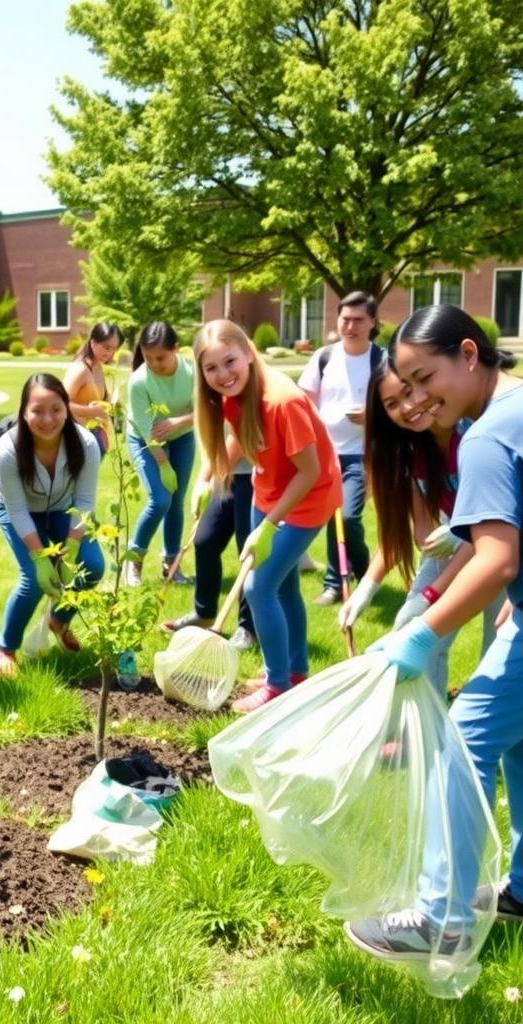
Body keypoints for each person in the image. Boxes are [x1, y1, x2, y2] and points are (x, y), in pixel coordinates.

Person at [346, 304, 523, 964]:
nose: (420, 398)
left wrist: (421, 633)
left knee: (465, 740)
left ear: (470, 355)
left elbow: (495, 557)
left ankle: (440, 919)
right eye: (406, 388)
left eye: (427, 378)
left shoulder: (484, 435)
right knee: (515, 740)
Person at [192, 319, 341, 713]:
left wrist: (270, 524)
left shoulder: (282, 401)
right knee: (283, 586)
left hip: (308, 499)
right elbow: (242, 437)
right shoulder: (234, 394)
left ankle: (277, 687)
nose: (223, 374)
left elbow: (309, 472)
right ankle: (295, 674)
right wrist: (207, 479)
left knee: (258, 588)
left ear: (248, 353)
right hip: (269, 489)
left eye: (230, 362)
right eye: (212, 368)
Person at [339, 363, 501, 697]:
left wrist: (432, 592)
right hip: (458, 540)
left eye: (408, 392)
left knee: (498, 654)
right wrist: (366, 587)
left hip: (502, 545)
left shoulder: (473, 432)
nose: (407, 408)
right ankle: (423, 733)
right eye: (392, 404)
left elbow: (485, 531)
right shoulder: (407, 450)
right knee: (408, 633)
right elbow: (413, 533)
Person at [0, 374, 104, 676]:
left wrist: (70, 552)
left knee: (92, 566)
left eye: (56, 409)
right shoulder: (8, 449)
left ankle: (59, 619)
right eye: (37, 411)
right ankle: (7, 648)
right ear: (23, 412)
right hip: (19, 510)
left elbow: (84, 501)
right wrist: (43, 559)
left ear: (67, 409)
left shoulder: (86, 443)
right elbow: (16, 509)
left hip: (62, 507)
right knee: (32, 580)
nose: (47, 419)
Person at [297, 291, 384, 606]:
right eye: (345, 319)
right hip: (323, 454)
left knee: (347, 516)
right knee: (335, 516)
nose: (351, 326)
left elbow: (399, 408)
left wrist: (372, 416)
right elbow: (303, 401)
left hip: (362, 455)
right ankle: (353, 573)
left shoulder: (383, 361)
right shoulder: (323, 357)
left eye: (359, 320)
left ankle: (338, 581)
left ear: (372, 322)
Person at [124, 321, 196, 586]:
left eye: (161, 358)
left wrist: (179, 422)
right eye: (147, 357)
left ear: (176, 349)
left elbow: (208, 411)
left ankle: (171, 564)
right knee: (160, 500)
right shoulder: (138, 381)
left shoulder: (191, 371)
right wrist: (164, 466)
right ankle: (134, 558)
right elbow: (147, 431)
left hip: (182, 438)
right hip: (145, 440)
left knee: (176, 502)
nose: (154, 363)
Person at [162, 450, 257, 651]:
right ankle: (204, 614)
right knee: (205, 540)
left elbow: (238, 436)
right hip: (226, 475)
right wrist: (202, 481)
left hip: (254, 474)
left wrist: (212, 475)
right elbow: (212, 440)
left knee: (248, 552)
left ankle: (248, 627)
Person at [63, 322, 124, 455]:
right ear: (93, 342)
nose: (110, 353)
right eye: (107, 347)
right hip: (76, 442)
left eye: (114, 349)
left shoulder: (98, 366)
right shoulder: (80, 369)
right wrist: (92, 411)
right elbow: (60, 404)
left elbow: (100, 400)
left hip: (94, 437)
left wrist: (114, 403)